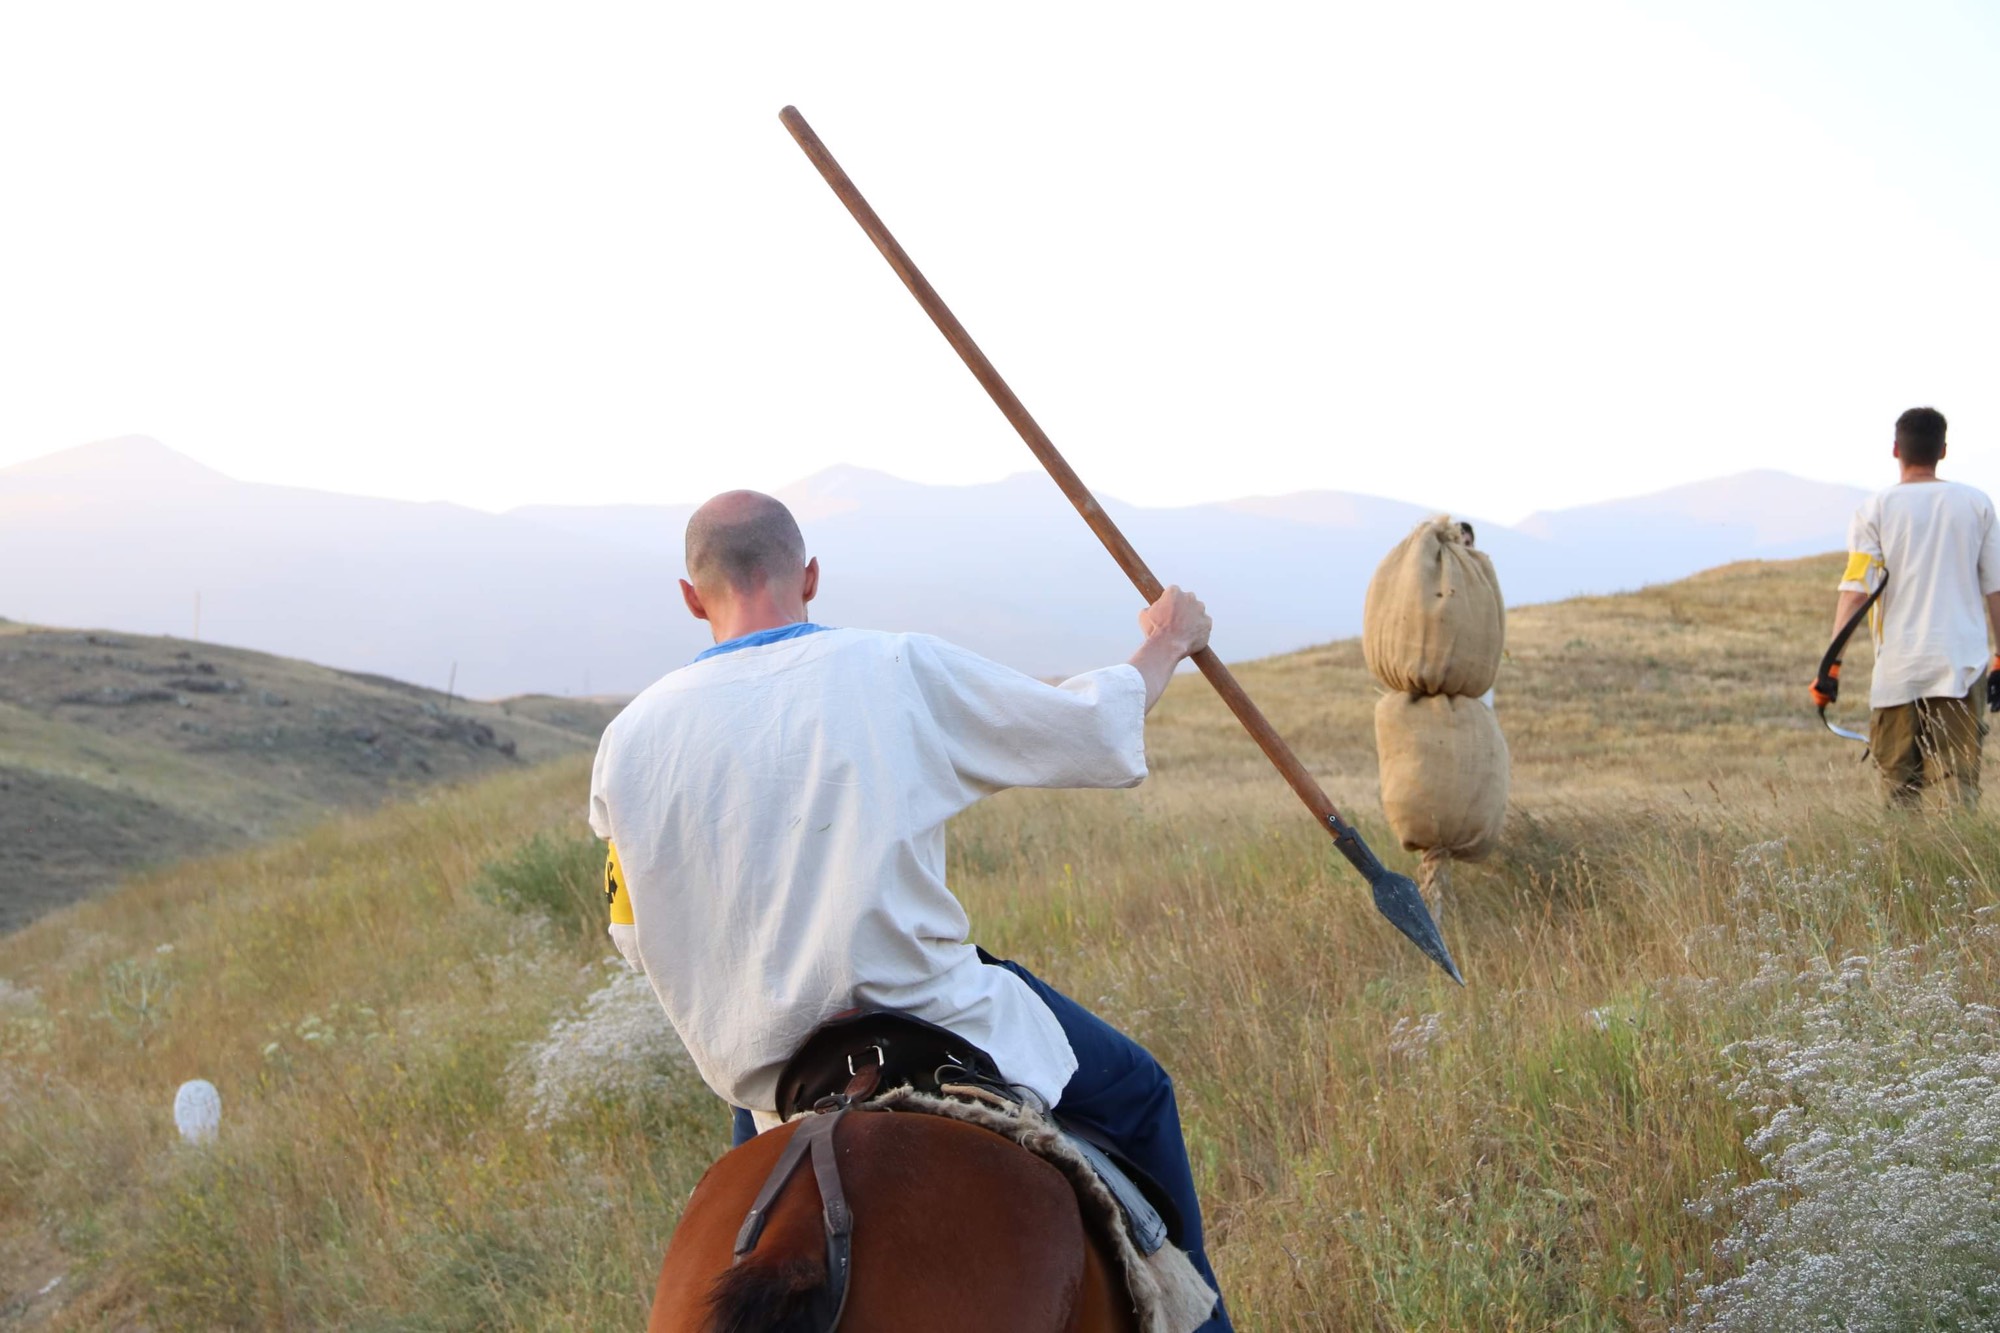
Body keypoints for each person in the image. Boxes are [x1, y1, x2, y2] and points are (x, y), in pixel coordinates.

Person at [590, 489, 1230, 1328]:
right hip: (940, 1016)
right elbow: (1085, 724)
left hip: (773, 1076)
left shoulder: (627, 743)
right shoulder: (889, 667)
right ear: (810, 576)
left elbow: (632, 937)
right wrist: (1166, 642)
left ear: (689, 594)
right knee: (1140, 1093)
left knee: (747, 1214)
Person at [1812, 407, 2000, 807]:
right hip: (1961, 671)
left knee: (1897, 802)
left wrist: (1831, 667)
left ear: (1896, 448)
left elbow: (1856, 591)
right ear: (1943, 451)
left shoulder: (1874, 511)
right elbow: (1996, 590)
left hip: (1897, 673)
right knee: (1956, 799)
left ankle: (1901, 872)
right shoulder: (1976, 504)